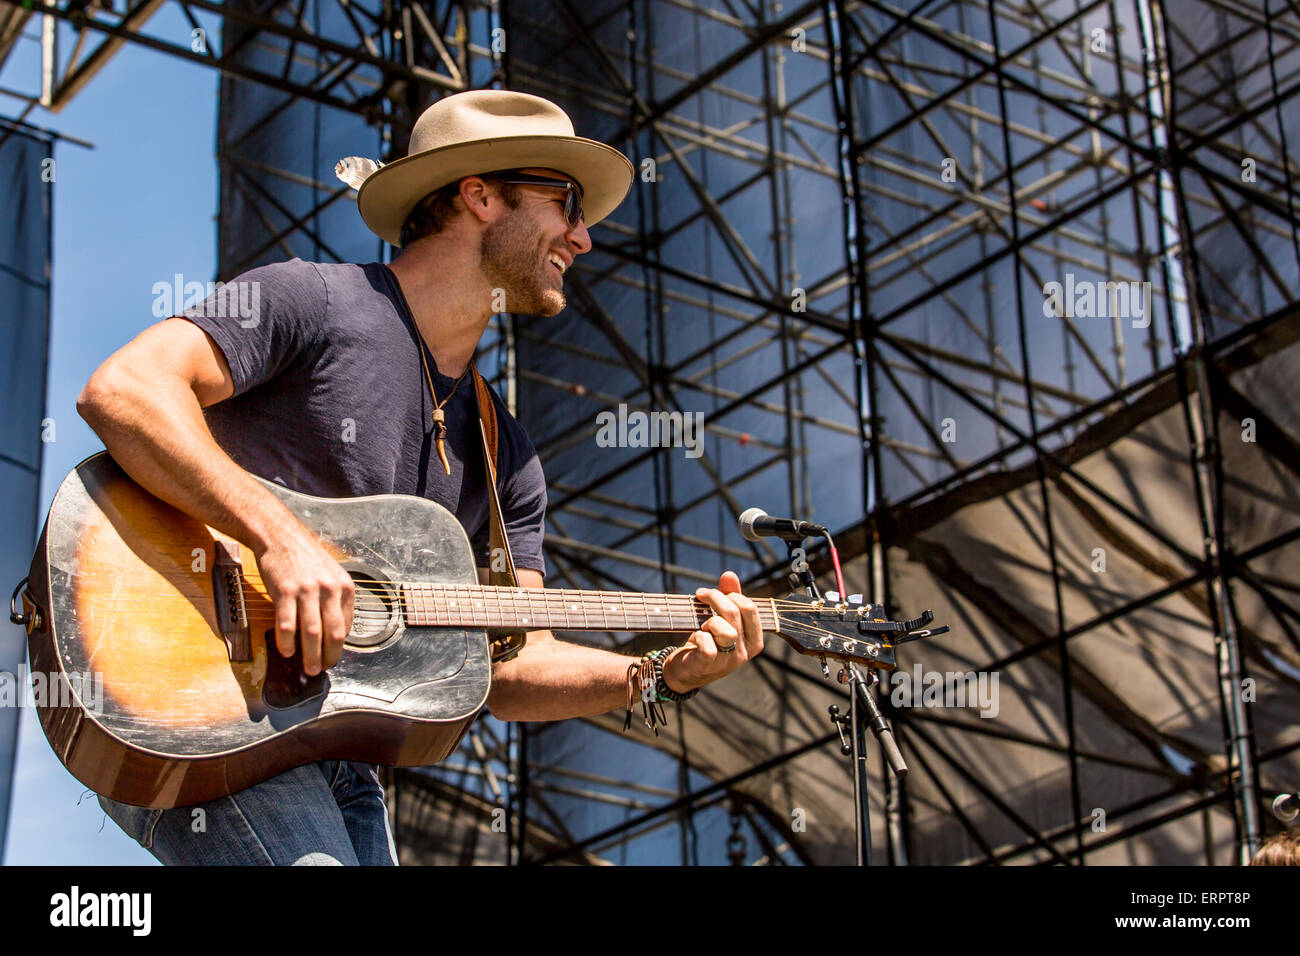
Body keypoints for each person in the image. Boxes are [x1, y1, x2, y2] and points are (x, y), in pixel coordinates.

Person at [78, 90, 764, 865]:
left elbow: (511, 664)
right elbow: (125, 391)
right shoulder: (308, 297)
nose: (584, 237)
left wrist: (658, 674)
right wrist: (282, 540)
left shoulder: (510, 456)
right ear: (478, 194)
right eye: (565, 202)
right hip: (193, 697)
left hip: (342, 751)